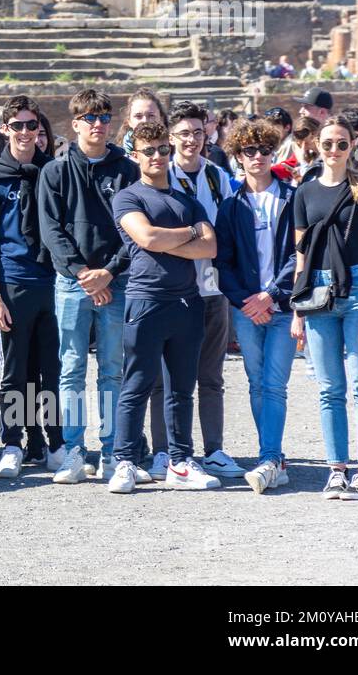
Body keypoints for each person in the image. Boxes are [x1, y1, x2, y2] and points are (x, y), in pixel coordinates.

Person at [108, 120, 219, 494]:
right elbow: (146, 236)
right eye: (149, 150)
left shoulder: (188, 200)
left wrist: (166, 240)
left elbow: (210, 247)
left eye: (162, 149)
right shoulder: (128, 197)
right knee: (137, 383)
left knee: (181, 389)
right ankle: (124, 461)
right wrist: (187, 233)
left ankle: (180, 461)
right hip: (146, 300)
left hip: (186, 302)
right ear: (135, 155)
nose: (157, 156)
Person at [37, 89, 139, 484]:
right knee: (71, 369)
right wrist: (84, 274)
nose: (98, 124)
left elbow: (131, 230)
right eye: (90, 118)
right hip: (71, 283)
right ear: (75, 123)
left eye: (103, 117)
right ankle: (74, 451)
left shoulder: (127, 170)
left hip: (117, 282)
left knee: (113, 370)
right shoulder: (56, 171)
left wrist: (109, 273)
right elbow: (52, 230)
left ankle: (113, 451)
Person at [289, 116, 358, 501]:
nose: (334, 150)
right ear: (316, 144)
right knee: (329, 388)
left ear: (352, 145)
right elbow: (300, 255)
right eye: (327, 143)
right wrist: (297, 307)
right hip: (317, 289)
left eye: (341, 144)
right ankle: (336, 468)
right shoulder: (304, 193)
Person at [150, 101, 240, 479]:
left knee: (211, 374)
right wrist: (196, 244)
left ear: (208, 135)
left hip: (213, 289)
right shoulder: (160, 177)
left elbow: (225, 236)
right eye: (184, 133)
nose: (191, 140)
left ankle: (215, 449)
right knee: (167, 378)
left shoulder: (219, 176)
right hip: (174, 290)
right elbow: (152, 238)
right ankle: (164, 451)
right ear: (171, 138)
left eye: (198, 133)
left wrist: (189, 245)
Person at [0, 95, 62, 479]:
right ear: (6, 128)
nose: (26, 133)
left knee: (51, 369)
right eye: (19, 125)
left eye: (33, 126)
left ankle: (53, 440)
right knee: (15, 371)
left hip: (54, 281)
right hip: (14, 282)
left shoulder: (55, 172)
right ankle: (12, 441)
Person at [213, 119, 297, 494]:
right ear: (238, 157)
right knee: (255, 383)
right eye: (250, 151)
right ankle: (273, 459)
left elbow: (301, 254)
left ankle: (269, 457)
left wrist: (272, 295)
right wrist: (246, 300)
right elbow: (223, 261)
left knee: (274, 385)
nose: (258, 157)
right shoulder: (230, 205)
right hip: (246, 307)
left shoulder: (293, 198)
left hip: (279, 306)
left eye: (265, 150)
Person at [118, 88, 167, 156]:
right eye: (138, 116)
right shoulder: (117, 156)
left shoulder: (174, 154)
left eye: (151, 115)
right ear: (128, 121)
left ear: (161, 119)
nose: (145, 121)